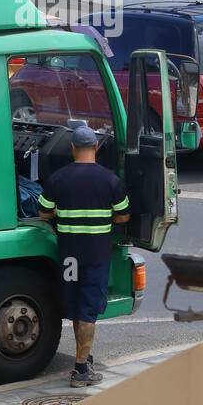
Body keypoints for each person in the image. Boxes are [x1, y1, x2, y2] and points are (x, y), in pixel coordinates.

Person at [37, 123, 130, 387]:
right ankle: (80, 369)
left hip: (69, 257)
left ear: (72, 148)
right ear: (96, 147)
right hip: (96, 256)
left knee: (78, 306)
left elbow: (44, 213)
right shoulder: (110, 180)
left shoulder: (58, 179)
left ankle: (83, 359)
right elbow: (123, 215)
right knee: (89, 310)